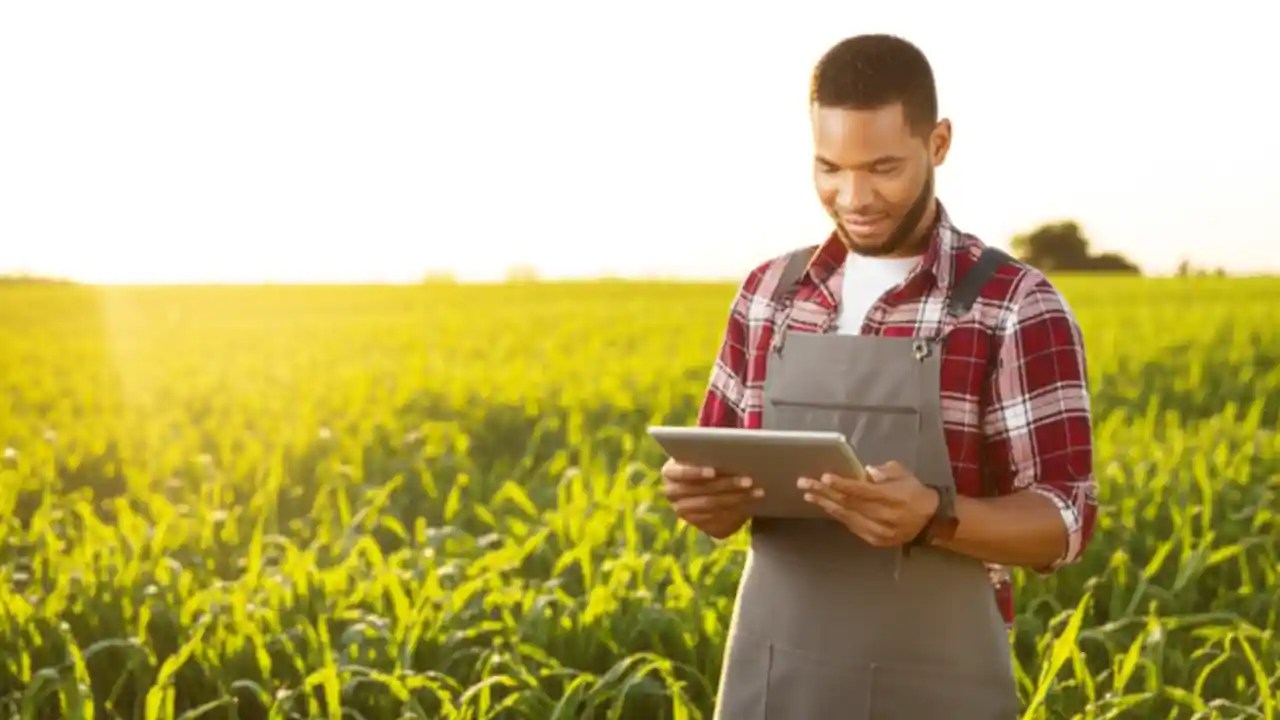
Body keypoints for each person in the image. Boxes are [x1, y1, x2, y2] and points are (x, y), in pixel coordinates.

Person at [660, 34, 1098, 719]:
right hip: (777, 681)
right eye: (829, 167)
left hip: (939, 685)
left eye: (884, 167)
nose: (853, 196)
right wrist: (703, 503)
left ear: (940, 143)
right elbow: (723, 481)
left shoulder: (1013, 304)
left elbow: (1065, 519)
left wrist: (936, 517)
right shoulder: (768, 295)